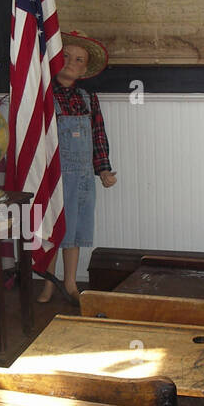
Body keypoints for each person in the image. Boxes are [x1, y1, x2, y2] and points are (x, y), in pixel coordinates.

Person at [38, 32, 117, 304]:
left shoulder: (87, 97)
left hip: (81, 177)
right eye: (66, 56)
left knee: (74, 232)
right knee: (52, 232)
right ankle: (48, 284)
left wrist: (103, 169)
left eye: (78, 60)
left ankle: (70, 281)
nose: (71, 62)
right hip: (54, 178)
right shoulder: (46, 97)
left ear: (84, 68)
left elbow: (98, 135)